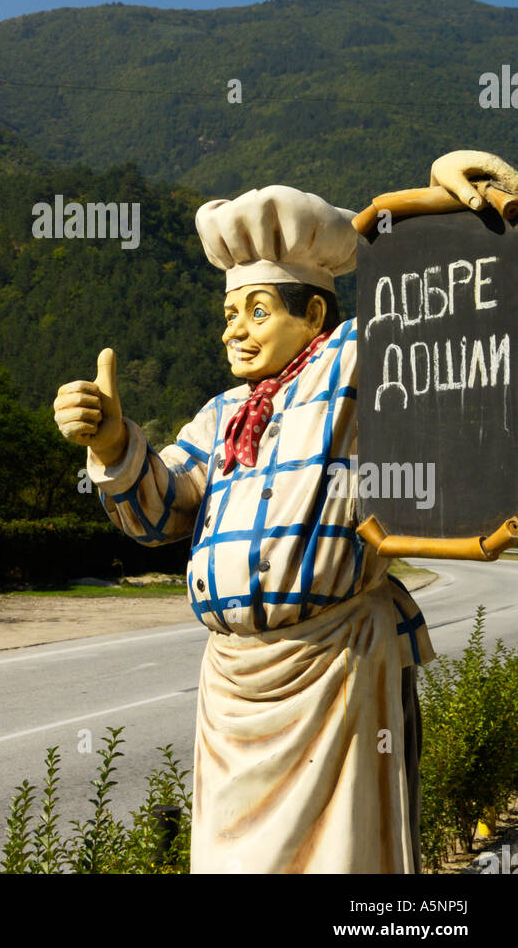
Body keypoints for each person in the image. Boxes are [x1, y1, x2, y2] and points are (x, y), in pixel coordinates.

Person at [52, 149, 518, 874]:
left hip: (336, 663)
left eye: (257, 310)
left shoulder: (355, 364)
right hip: (232, 685)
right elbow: (159, 512)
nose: (233, 330)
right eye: (228, 313)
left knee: (342, 859)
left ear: (317, 315)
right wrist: (114, 441)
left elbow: (443, 313)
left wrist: (446, 211)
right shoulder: (221, 415)